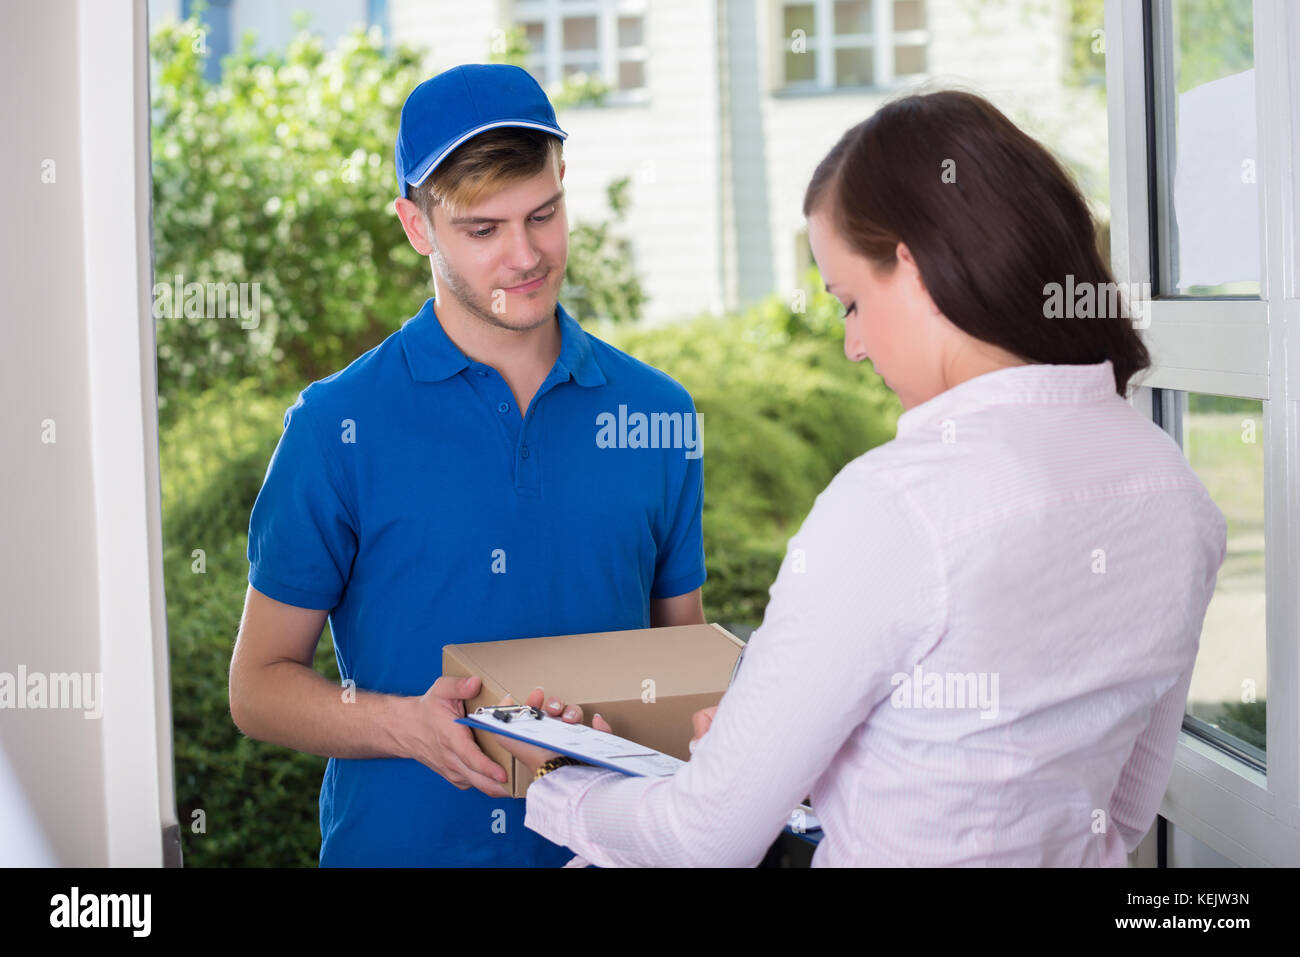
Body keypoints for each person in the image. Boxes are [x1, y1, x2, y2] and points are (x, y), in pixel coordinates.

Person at [495, 89, 1228, 866]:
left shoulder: (899, 506)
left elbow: (703, 840)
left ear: (911, 270)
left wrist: (556, 779)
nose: (852, 345)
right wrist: (828, 769)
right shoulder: (1176, 492)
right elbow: (1118, 812)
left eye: (850, 302)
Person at [228, 63, 707, 867]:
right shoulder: (336, 424)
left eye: (544, 215)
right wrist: (402, 725)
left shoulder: (657, 413)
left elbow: (680, 655)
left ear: (563, 183)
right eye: (483, 230)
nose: (525, 255)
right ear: (417, 226)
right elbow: (258, 686)